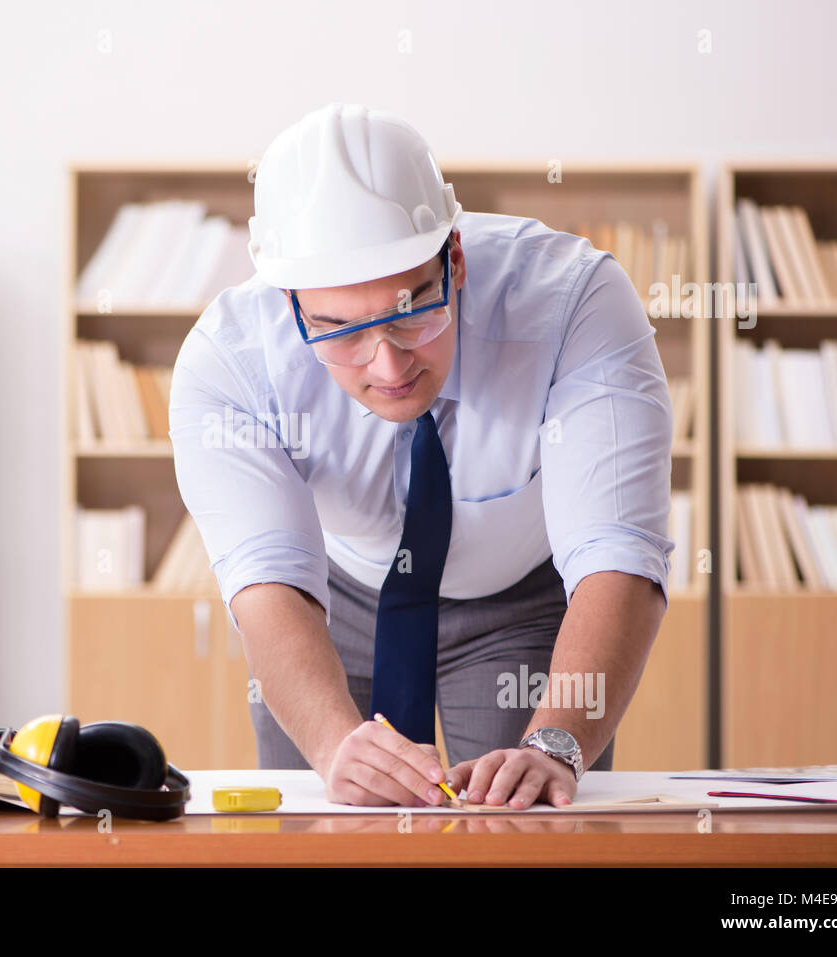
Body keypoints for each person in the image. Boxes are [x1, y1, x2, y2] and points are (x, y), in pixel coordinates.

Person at [168, 102, 673, 809]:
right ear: (289, 304)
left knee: (515, 820)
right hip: (332, 598)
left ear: (454, 259)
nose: (387, 364)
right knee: (326, 825)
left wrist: (557, 742)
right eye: (341, 330)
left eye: (411, 311)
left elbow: (617, 550)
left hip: (516, 602)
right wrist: (332, 742)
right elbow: (267, 579)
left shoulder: (574, 304)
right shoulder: (229, 363)